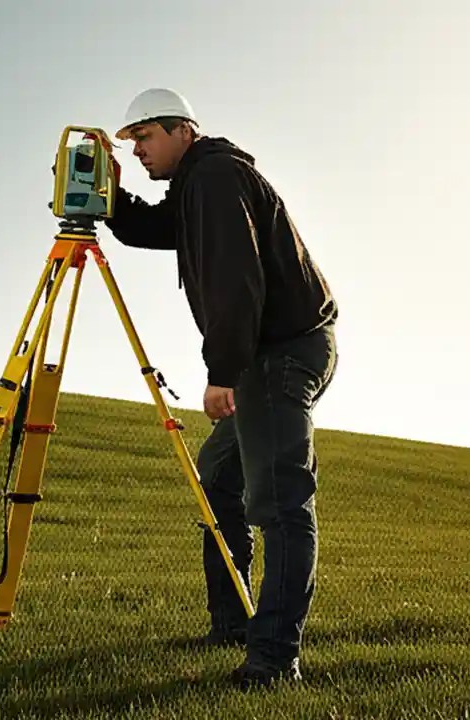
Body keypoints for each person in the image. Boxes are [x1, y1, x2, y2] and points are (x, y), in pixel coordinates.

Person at [102, 87, 339, 689]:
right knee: (218, 478)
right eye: (131, 143)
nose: (138, 151)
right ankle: (233, 624)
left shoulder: (214, 178)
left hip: (281, 354)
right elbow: (149, 229)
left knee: (280, 503)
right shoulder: (196, 186)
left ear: (182, 130)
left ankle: (273, 660)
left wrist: (222, 373)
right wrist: (109, 193)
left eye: (145, 137)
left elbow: (237, 280)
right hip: (269, 354)